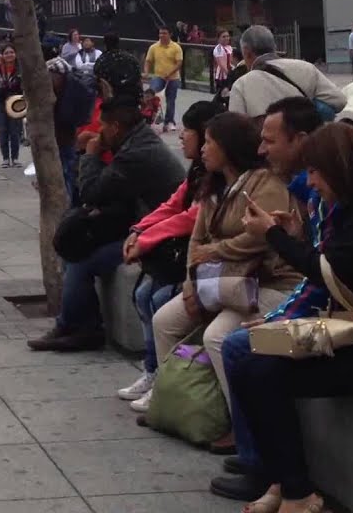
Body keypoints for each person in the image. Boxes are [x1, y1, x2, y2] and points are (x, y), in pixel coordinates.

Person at [146, 113, 303, 449]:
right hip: (220, 284)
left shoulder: (264, 184)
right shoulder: (212, 186)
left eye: (210, 142)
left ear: (228, 146)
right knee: (164, 320)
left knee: (219, 336)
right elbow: (195, 242)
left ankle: (240, 427)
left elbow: (262, 238)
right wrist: (192, 286)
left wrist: (217, 250)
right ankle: (177, 400)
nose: (203, 149)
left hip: (265, 284)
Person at [230, 122, 353, 513]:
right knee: (255, 365)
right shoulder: (344, 208)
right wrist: (295, 237)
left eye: (316, 172)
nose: (312, 182)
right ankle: (289, 484)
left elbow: (328, 270)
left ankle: (293, 489)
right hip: (347, 328)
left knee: (261, 369)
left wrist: (274, 236)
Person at [208, 97, 327, 503]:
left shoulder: (330, 198)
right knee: (246, 347)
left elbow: (325, 273)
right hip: (319, 312)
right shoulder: (311, 193)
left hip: (336, 325)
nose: (263, 150)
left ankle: (274, 474)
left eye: (271, 141)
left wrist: (279, 316)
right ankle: (274, 474)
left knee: (244, 347)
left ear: (304, 141)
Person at [29, 96, 186, 352]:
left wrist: (89, 155)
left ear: (114, 127)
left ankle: (82, 329)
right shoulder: (136, 141)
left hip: (161, 236)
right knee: (76, 242)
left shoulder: (137, 153)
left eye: (102, 125)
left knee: (82, 260)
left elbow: (92, 191)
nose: (98, 131)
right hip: (141, 224)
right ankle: (73, 324)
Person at [117, 101, 221, 411]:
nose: (181, 137)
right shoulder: (199, 171)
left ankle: (167, 377)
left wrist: (147, 239)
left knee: (159, 298)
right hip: (180, 256)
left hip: (200, 262)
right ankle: (153, 371)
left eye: (188, 130)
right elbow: (174, 204)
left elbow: (192, 216)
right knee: (144, 293)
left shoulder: (220, 177)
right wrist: (139, 229)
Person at [229, 25, 346, 120]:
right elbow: (339, 101)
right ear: (274, 47)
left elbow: (237, 129)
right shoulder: (306, 68)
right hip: (307, 143)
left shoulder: (241, 85)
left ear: (246, 52)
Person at [143, 26, 184, 131]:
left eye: (164, 33)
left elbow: (179, 63)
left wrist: (170, 73)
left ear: (170, 34)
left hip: (173, 78)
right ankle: (149, 119)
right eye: (160, 33)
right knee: (150, 96)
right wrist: (146, 72)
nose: (161, 35)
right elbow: (148, 61)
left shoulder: (176, 47)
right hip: (158, 77)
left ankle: (169, 122)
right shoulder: (154, 47)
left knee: (170, 100)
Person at [0, 44, 24, 168]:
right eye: (6, 53)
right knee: (3, 130)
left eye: (11, 52)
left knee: (15, 131)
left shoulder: (20, 69)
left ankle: (15, 158)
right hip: (0, 102)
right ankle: (5, 158)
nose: (9, 55)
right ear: (2, 55)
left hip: (16, 102)